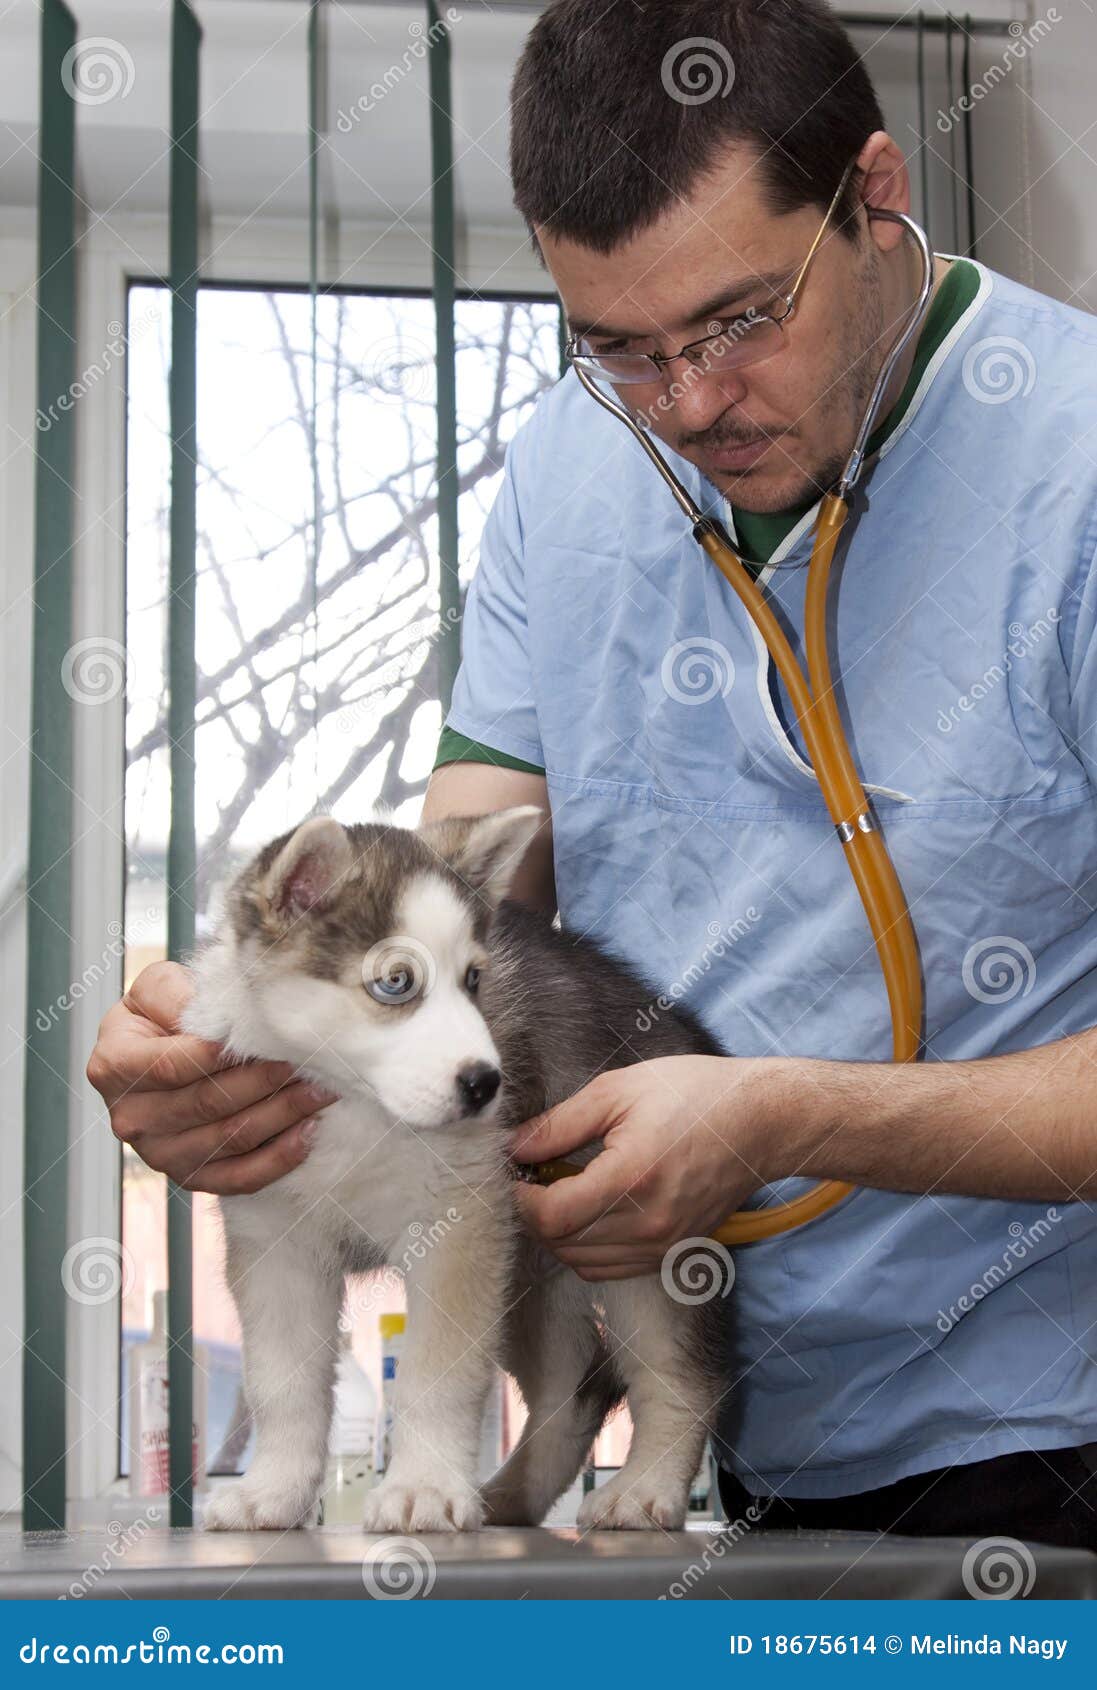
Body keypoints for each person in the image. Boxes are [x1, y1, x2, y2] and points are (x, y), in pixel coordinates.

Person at [88, 0, 1097, 1549]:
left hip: (1058, 1430)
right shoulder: (570, 462)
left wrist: (777, 1116)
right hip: (759, 1453)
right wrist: (252, 1052)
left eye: (739, 321)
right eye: (618, 345)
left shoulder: (1075, 461)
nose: (686, 406)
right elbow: (463, 891)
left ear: (877, 193)